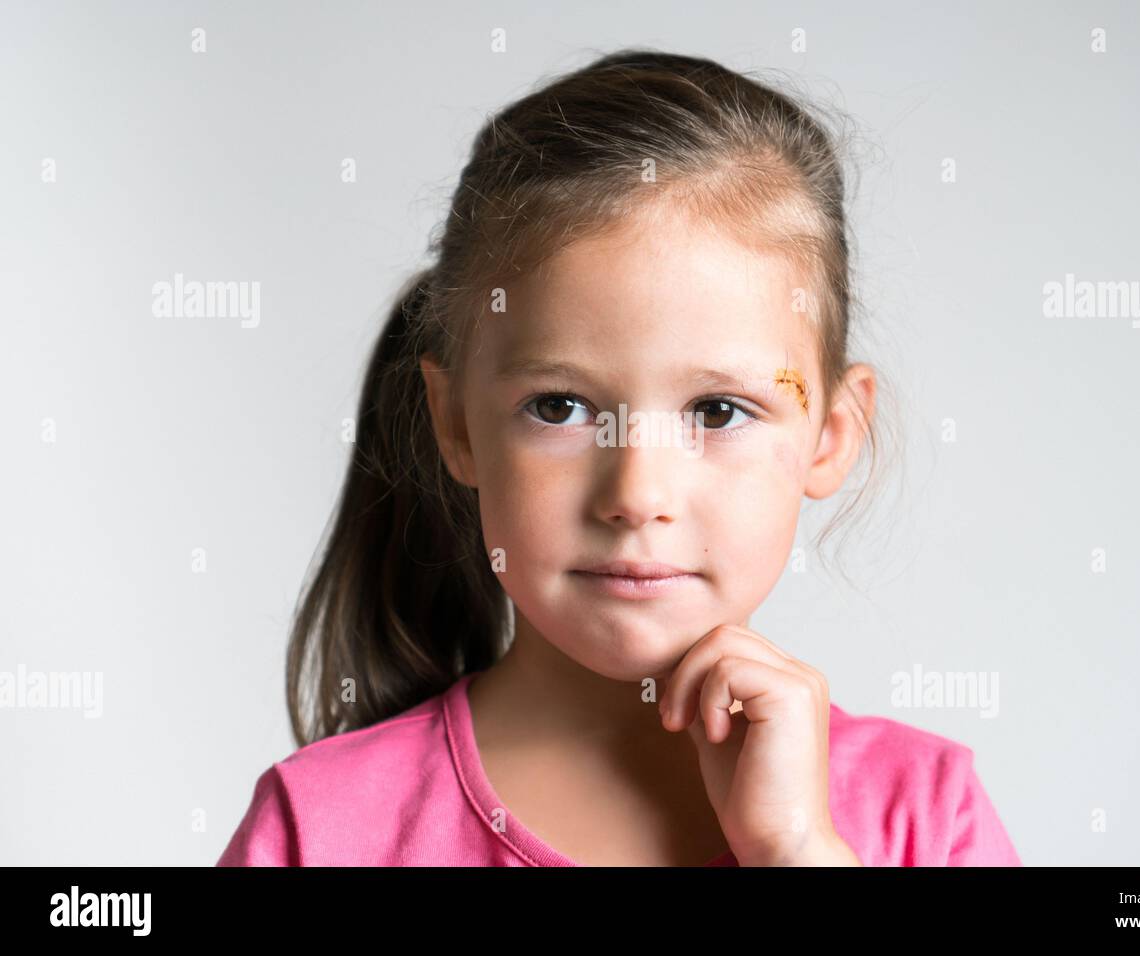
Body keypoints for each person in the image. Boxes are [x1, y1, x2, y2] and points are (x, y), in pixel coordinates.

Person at [217, 48, 1021, 867]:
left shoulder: (929, 817)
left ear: (830, 436)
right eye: (559, 407)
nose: (638, 494)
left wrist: (797, 851)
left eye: (718, 411)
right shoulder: (318, 829)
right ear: (455, 424)